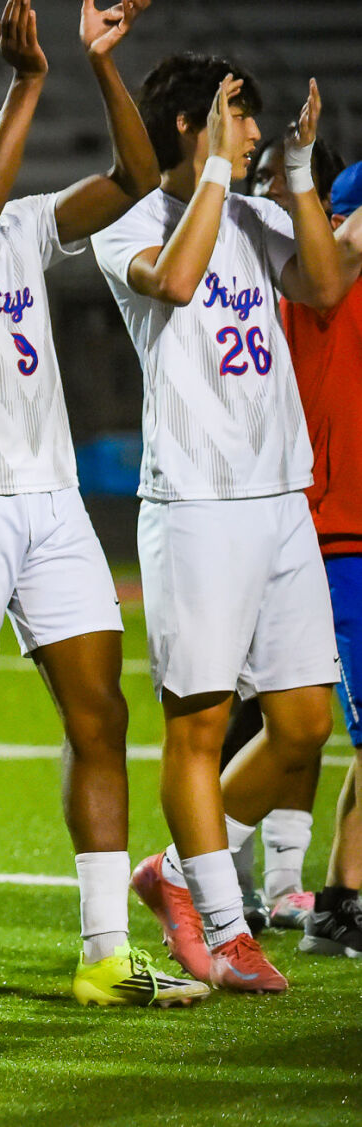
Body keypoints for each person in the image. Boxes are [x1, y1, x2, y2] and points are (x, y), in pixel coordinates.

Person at [0, 0, 206, 1008]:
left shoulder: (27, 220)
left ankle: (104, 953)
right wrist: (25, 82)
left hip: (49, 498)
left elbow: (137, 174)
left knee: (98, 711)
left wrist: (97, 64)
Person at [91, 55, 360, 992]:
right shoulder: (126, 222)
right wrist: (214, 170)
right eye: (240, 120)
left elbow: (323, 287)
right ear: (191, 126)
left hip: (280, 495)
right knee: (198, 726)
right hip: (197, 505)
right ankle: (220, 920)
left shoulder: (254, 210)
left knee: (301, 726)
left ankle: (172, 870)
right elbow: (170, 281)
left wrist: (293, 174)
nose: (253, 133)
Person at [219, 136, 349, 935]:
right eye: (261, 172)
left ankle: (282, 880)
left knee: (297, 709)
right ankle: (213, 876)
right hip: (249, 506)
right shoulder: (251, 259)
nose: (261, 187)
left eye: (280, 176)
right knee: (228, 710)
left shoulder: (304, 263)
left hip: (306, 515)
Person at [245, 154, 362, 957]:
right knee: (264, 716)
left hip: (334, 526)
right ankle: (198, 874)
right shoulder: (320, 285)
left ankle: (338, 898)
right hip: (331, 530)